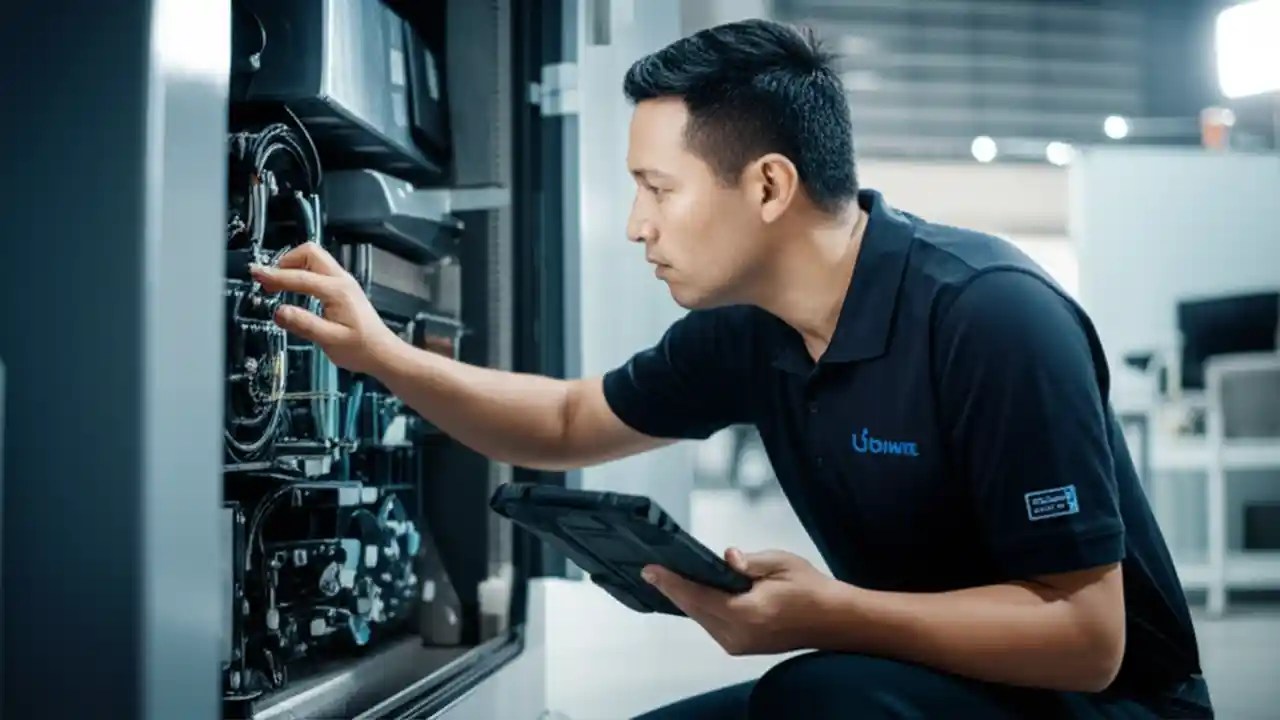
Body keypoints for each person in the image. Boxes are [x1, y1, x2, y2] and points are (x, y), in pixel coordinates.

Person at [250, 18, 1213, 720]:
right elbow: (564, 423)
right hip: (938, 684)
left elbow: (1089, 641)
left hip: (1115, 707)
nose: (636, 225)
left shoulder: (993, 317)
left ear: (767, 186)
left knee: (820, 701)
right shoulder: (748, 326)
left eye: (657, 189)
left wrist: (831, 614)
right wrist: (380, 353)